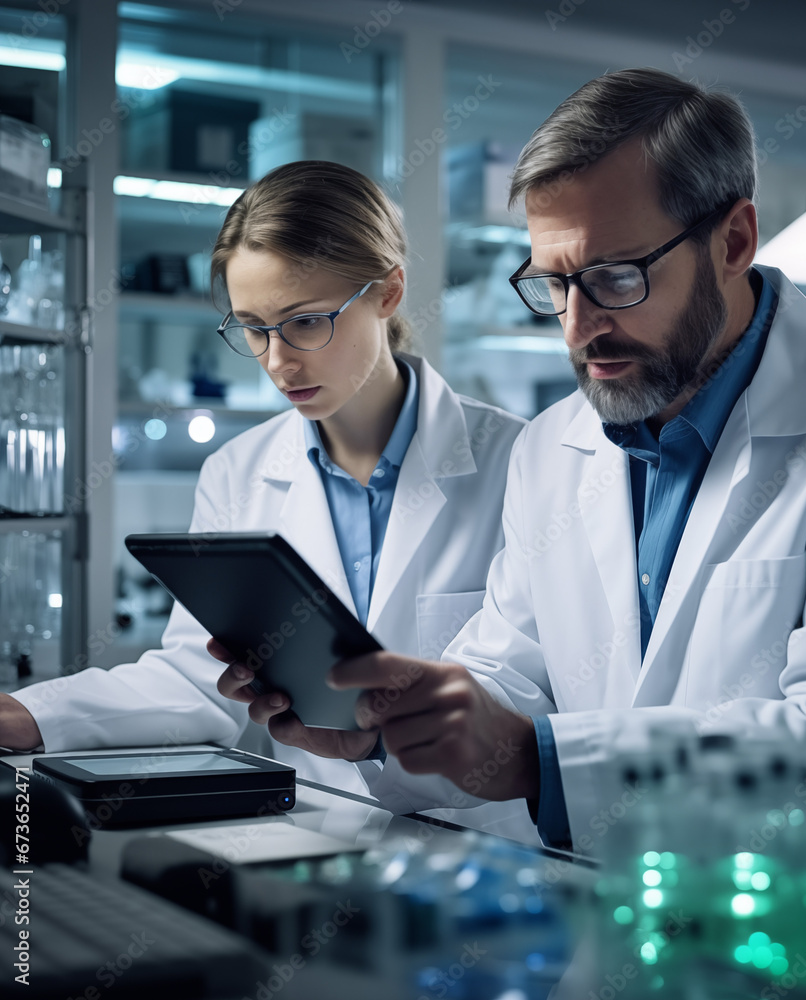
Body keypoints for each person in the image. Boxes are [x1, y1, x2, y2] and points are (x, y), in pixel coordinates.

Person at [216, 72, 806, 946]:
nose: (579, 326)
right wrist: (382, 730)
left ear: (733, 239)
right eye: (553, 283)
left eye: (616, 276)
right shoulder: (555, 445)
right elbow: (512, 669)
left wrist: (535, 760)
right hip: (619, 939)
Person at [0, 160, 532, 835]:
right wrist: (28, 715)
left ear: (389, 292)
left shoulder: (522, 462)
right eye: (252, 327)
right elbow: (201, 680)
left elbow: (534, 690)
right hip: (316, 839)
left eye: (306, 322)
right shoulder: (238, 471)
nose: (278, 361)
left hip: (487, 854)